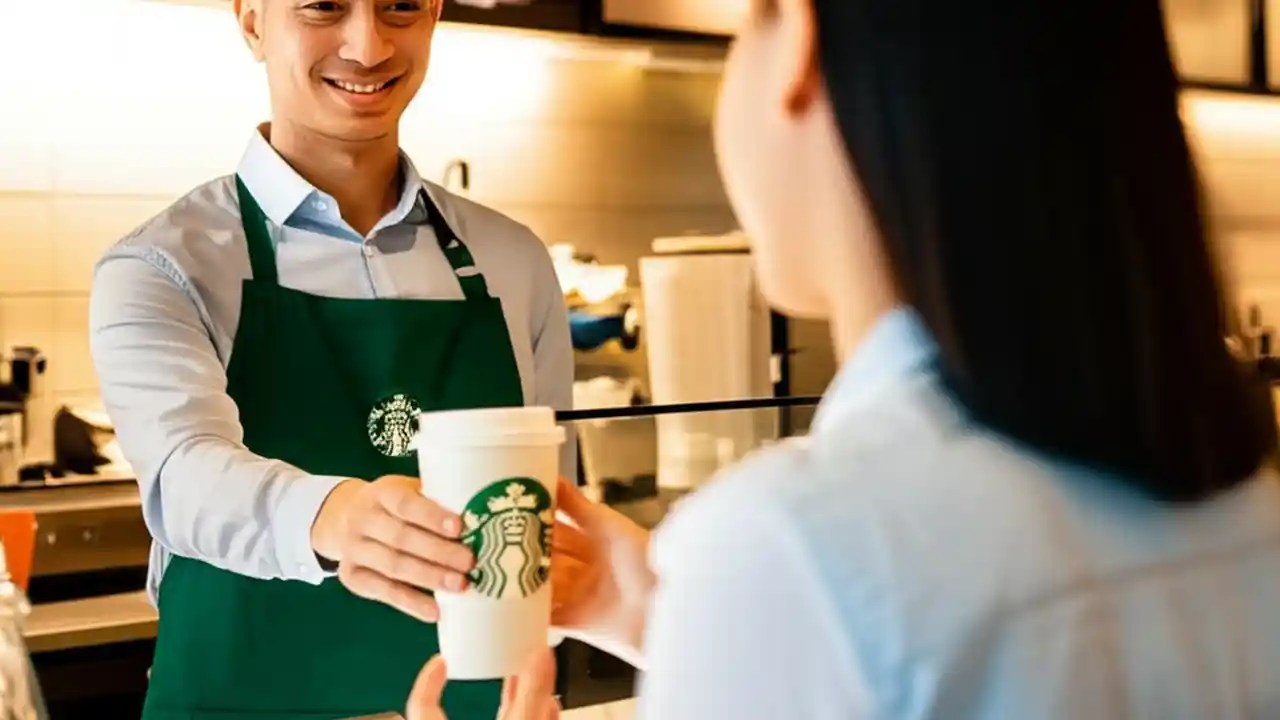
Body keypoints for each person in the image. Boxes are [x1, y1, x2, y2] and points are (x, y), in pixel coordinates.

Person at [419, 0, 1280, 717]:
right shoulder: (1247, 511)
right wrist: (655, 612)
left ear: (799, 37)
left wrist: (744, 606)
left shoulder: (787, 545)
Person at [88, 1, 575, 718]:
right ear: (252, 20)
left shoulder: (515, 262)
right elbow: (183, 478)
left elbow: (552, 506)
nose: (367, 44)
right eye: (323, 6)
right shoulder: (162, 265)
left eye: (400, 7)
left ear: (434, 16)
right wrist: (339, 514)